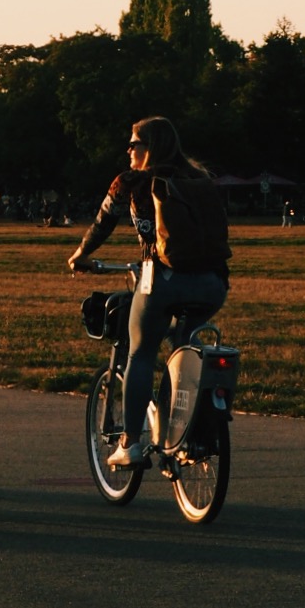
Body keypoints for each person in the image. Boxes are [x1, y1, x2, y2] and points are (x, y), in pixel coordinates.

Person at [70, 116, 229, 469]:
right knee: (185, 348)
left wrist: (81, 256)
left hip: (163, 278)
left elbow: (102, 224)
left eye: (134, 143)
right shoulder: (199, 180)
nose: (128, 149)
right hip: (214, 283)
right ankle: (186, 431)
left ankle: (131, 443)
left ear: (150, 148)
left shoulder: (131, 183)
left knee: (140, 353)